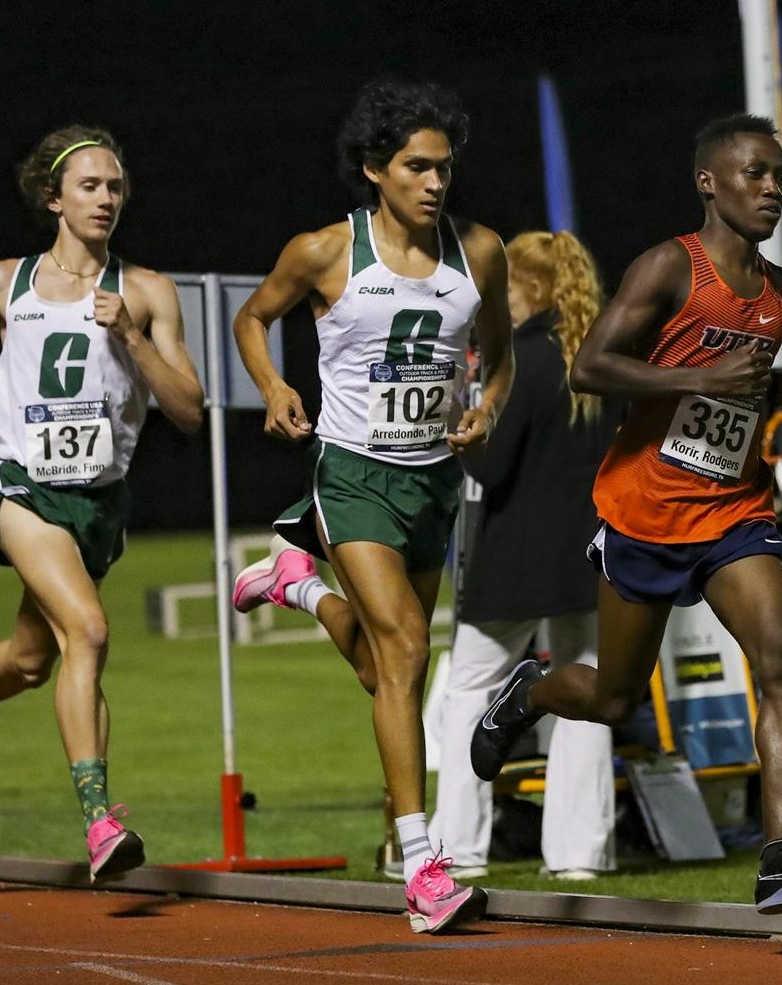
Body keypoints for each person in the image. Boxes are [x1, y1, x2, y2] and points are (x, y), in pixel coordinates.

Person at [470, 113, 782, 915]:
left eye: (779, 175)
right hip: (647, 511)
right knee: (613, 698)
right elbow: (589, 367)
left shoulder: (779, 290)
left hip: (733, 512)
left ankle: (779, 860)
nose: (772, 189)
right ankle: (531, 693)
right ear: (709, 182)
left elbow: (740, 389)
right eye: (755, 174)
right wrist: (708, 383)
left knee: (780, 661)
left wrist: (780, 394)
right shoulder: (668, 268)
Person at [228, 80, 512, 934]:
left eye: (444, 168)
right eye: (416, 168)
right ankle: (422, 865)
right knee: (409, 647)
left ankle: (298, 587)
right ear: (374, 170)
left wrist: (484, 407)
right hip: (350, 474)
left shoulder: (482, 254)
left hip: (431, 481)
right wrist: (274, 383)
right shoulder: (325, 252)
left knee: (388, 669)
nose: (434, 183)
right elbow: (252, 316)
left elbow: (498, 361)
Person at [0, 127, 203, 881]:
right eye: (89, 185)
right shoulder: (5, 284)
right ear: (53, 197)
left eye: (115, 186)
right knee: (88, 630)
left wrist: (134, 340)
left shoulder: (146, 291)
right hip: (20, 488)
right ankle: (100, 820)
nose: (106, 198)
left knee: (26, 660)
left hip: (98, 504)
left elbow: (189, 409)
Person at [428, 229, 622, 880]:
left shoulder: (526, 359)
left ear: (534, 288)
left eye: (506, 288)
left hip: (517, 556)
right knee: (585, 691)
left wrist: (465, 442)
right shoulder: (601, 356)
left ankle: (459, 845)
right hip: (592, 555)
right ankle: (580, 855)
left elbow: (499, 463)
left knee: (467, 689)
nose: (499, 301)